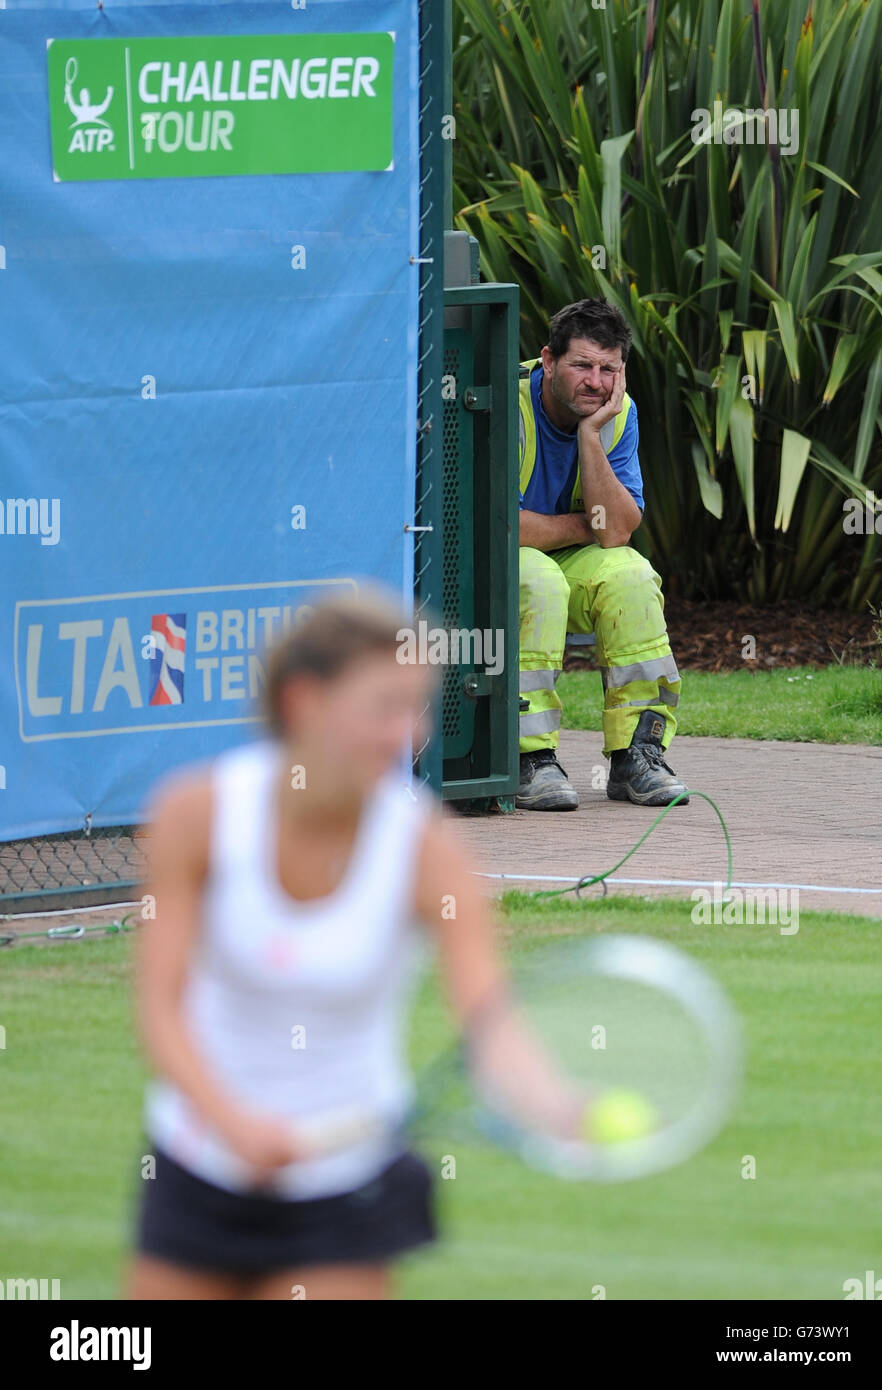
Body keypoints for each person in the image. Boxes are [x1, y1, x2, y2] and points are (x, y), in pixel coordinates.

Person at [126, 586, 573, 1301]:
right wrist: (233, 1124)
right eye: (383, 707)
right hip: (195, 1170)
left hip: (348, 1192)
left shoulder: (429, 849)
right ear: (305, 702)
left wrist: (550, 1101)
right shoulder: (196, 814)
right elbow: (160, 1006)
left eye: (415, 706)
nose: (405, 732)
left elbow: (488, 1017)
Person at [516, 296, 688, 811]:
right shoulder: (506, 398)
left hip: (566, 551)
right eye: (582, 365)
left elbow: (615, 533)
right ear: (548, 361)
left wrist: (591, 435)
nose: (596, 381)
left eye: (608, 368)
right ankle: (530, 757)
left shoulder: (616, 416)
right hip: (504, 558)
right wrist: (582, 527)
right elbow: (499, 527)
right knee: (539, 581)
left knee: (632, 576)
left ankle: (637, 755)